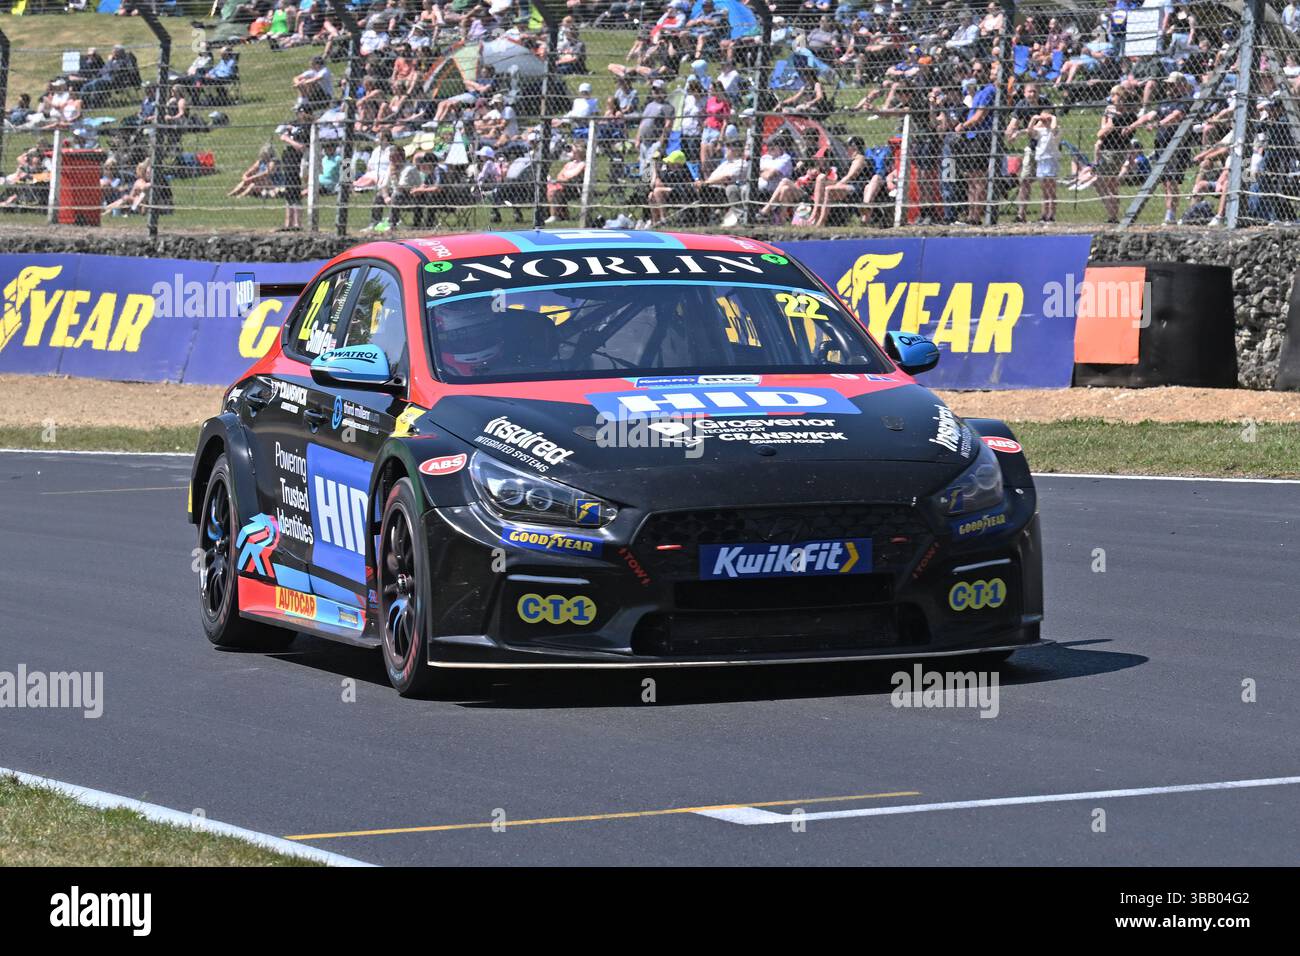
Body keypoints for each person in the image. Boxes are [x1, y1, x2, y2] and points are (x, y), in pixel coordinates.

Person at [810, 135, 869, 228]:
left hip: (855, 187)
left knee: (829, 189)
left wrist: (838, 184)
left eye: (848, 146)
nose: (846, 149)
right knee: (820, 178)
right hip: (845, 184)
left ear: (854, 147)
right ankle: (815, 211)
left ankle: (820, 222)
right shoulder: (851, 159)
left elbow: (851, 176)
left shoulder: (859, 159)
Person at [278, 106, 311, 231]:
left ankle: (298, 223)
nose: (298, 114)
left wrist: (290, 139)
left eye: (300, 112)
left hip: (301, 159)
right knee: (289, 189)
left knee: (296, 189)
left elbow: (303, 145)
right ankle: (288, 223)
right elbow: (283, 136)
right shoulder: (293, 124)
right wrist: (292, 141)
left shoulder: (309, 126)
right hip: (289, 156)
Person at [1026, 111, 1061, 223]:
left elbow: (1054, 128)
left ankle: (1051, 214)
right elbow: (1029, 131)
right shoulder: (1040, 131)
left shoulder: (1055, 129)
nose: (1045, 122)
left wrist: (1053, 117)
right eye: (1043, 120)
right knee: (1044, 191)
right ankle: (1044, 214)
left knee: (1051, 190)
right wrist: (1034, 119)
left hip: (1050, 159)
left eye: (1047, 120)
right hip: (1041, 160)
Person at [648, 148, 696, 225]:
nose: (668, 164)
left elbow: (685, 187)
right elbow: (655, 184)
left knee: (657, 191)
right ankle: (655, 222)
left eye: (671, 163)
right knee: (651, 195)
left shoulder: (683, 170)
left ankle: (664, 219)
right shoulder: (667, 170)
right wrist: (655, 170)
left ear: (677, 164)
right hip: (670, 192)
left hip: (681, 193)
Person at [545, 141, 586, 223]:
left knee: (554, 190)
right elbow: (560, 176)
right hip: (563, 184)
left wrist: (563, 177)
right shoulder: (569, 164)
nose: (570, 152)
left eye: (572, 151)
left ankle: (554, 215)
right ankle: (556, 214)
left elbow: (572, 176)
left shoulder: (582, 164)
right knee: (548, 187)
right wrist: (562, 178)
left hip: (574, 188)